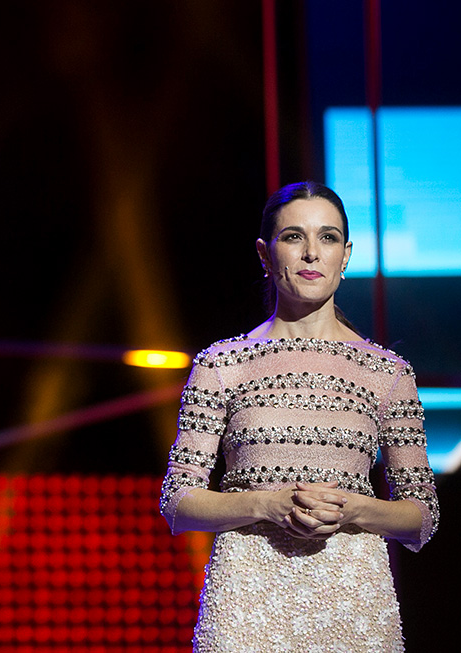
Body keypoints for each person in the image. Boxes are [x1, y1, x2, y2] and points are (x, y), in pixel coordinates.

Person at [159, 181, 439, 652]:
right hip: (247, 604)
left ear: (346, 255)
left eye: (327, 238)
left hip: (354, 603)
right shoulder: (222, 365)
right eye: (294, 237)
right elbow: (178, 502)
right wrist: (267, 504)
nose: (312, 253)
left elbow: (422, 515)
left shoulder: (387, 372)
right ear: (265, 255)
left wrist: (357, 508)